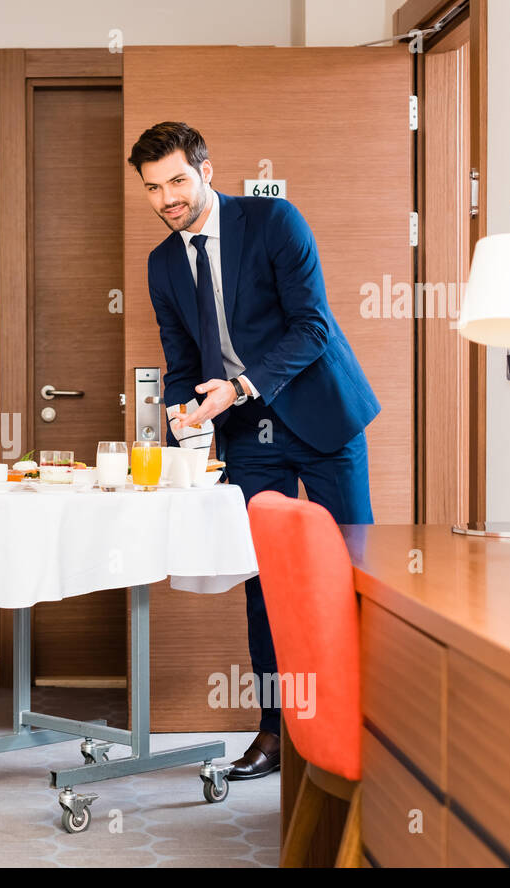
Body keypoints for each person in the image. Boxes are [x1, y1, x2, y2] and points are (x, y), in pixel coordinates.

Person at [128, 121, 379, 781]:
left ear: (207, 171)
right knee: (267, 586)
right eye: (153, 188)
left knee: (352, 571)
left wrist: (237, 386)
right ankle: (275, 730)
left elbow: (312, 325)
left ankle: (368, 721)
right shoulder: (161, 264)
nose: (167, 198)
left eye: (178, 180)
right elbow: (181, 360)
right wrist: (185, 409)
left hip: (323, 416)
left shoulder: (275, 221)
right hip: (247, 433)